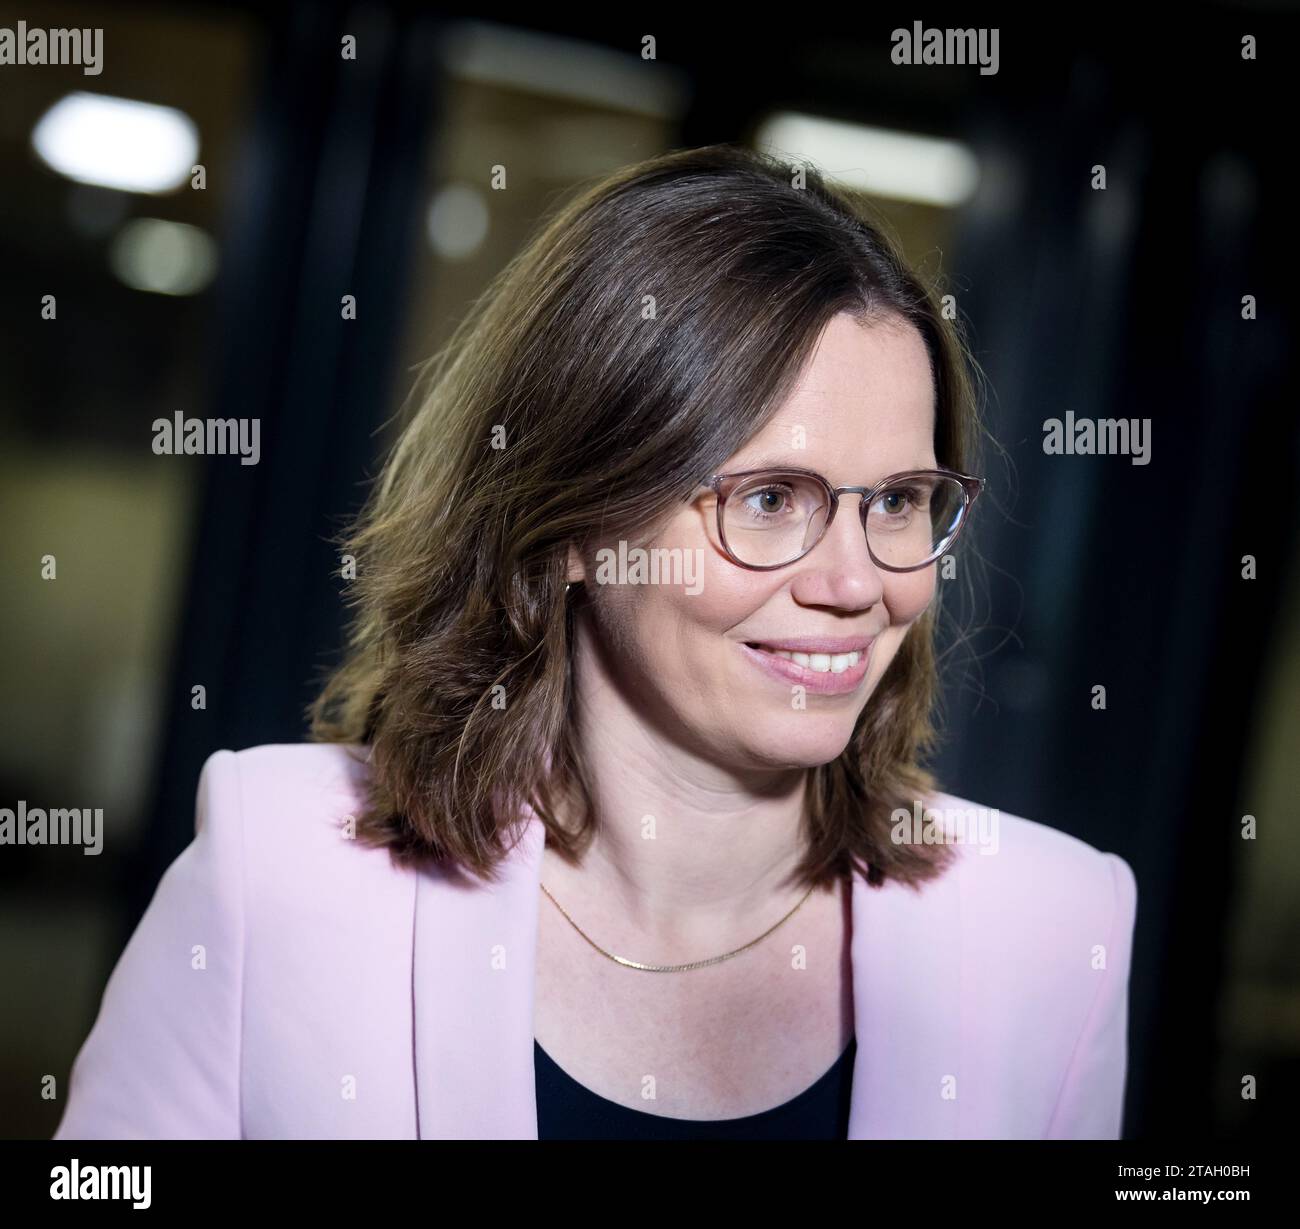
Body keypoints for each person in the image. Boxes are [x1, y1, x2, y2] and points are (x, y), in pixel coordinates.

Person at [52, 144, 1136, 1140]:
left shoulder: (1050, 929)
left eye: (898, 499)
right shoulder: (279, 867)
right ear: (573, 522)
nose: (858, 582)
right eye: (767, 497)